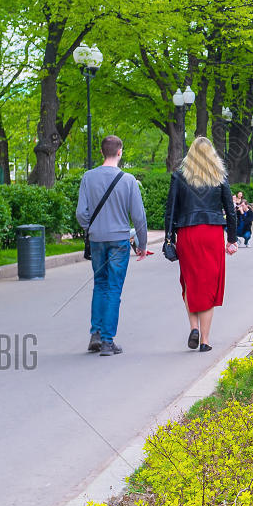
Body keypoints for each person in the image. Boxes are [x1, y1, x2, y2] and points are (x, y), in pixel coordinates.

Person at [76, 134, 149, 356]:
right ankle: (108, 341)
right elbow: (139, 217)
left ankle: (96, 334)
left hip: (97, 240)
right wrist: (142, 244)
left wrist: (93, 227)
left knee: (100, 284)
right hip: (119, 240)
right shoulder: (128, 180)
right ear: (120, 152)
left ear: (101, 152)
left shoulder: (88, 177)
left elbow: (81, 213)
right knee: (114, 288)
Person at [165, 136, 238, 353]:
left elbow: (171, 210)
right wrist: (232, 239)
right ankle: (205, 340)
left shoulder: (179, 177)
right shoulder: (219, 177)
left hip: (187, 233)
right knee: (209, 285)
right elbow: (231, 210)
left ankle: (194, 328)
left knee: (190, 281)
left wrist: (169, 238)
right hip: (212, 233)